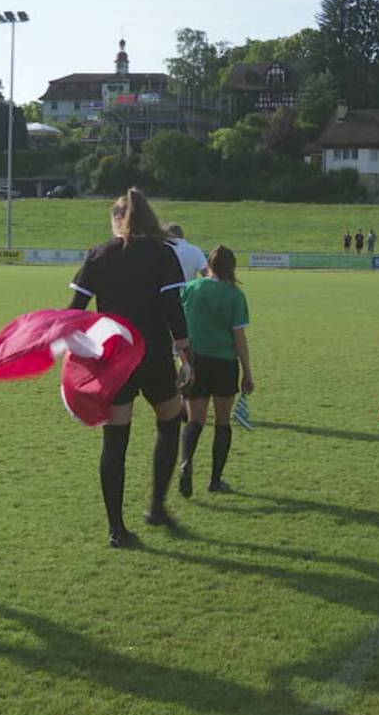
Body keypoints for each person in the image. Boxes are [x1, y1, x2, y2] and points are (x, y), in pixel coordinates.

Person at [69, 189, 194, 547]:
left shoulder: (99, 254)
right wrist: (185, 353)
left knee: (115, 442)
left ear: (117, 220)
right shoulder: (162, 253)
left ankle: (116, 528)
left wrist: (75, 348)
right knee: (169, 424)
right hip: (154, 355)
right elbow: (173, 307)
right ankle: (156, 506)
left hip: (115, 360)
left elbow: (76, 308)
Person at [177, 245, 255, 495]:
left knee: (195, 420)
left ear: (209, 265)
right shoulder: (235, 295)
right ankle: (215, 479)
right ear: (232, 267)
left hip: (196, 360)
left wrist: (182, 360)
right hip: (224, 362)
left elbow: (178, 327)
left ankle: (186, 462)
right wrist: (247, 372)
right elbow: (239, 337)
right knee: (222, 422)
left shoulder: (190, 289)